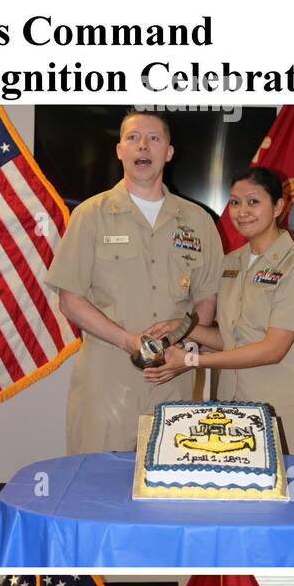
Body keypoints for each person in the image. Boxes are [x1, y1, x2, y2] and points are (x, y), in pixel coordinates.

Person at [47, 111, 221, 454]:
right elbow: (70, 299)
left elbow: (206, 303)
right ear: (119, 150)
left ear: (169, 152)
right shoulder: (91, 215)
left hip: (175, 378)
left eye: (154, 138)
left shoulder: (199, 222)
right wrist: (127, 340)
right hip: (108, 381)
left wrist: (180, 347)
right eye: (133, 138)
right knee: (96, 486)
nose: (143, 145)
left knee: (169, 485)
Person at [157, 167, 294, 455]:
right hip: (233, 409)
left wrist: (192, 361)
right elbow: (233, 340)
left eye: (253, 201)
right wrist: (182, 327)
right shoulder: (231, 263)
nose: (241, 211)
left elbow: (273, 350)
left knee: (289, 497)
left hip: (283, 411)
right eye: (234, 202)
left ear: (278, 207)